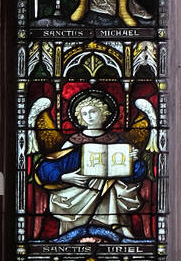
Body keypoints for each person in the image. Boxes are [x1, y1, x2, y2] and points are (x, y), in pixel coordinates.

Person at [32, 88, 147, 238]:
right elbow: (45, 168)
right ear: (79, 117)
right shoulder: (72, 143)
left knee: (111, 187)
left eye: (93, 112)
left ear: (103, 113)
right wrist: (65, 177)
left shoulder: (117, 143)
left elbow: (136, 175)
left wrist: (134, 161)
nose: (89, 117)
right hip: (77, 201)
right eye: (84, 114)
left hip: (111, 199)